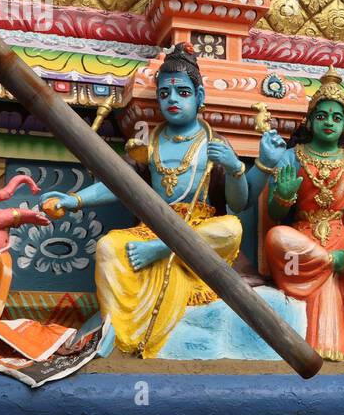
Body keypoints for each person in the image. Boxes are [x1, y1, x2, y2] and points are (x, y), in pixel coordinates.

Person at [42, 45, 250, 358]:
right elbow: (117, 183)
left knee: (231, 228)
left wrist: (235, 169)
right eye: (165, 94)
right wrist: (73, 200)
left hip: (198, 226)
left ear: (200, 96)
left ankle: (165, 250)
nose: (173, 100)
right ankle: (112, 329)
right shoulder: (148, 144)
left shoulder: (213, 143)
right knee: (108, 247)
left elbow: (239, 203)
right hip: (153, 227)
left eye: (182, 92)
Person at [260, 66, 344, 364]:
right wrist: (283, 197)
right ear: (309, 121)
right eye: (321, 116)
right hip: (303, 244)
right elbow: (273, 214)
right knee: (276, 237)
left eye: (337, 118)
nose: (328, 122)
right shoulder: (291, 157)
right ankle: (329, 263)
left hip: (340, 237)